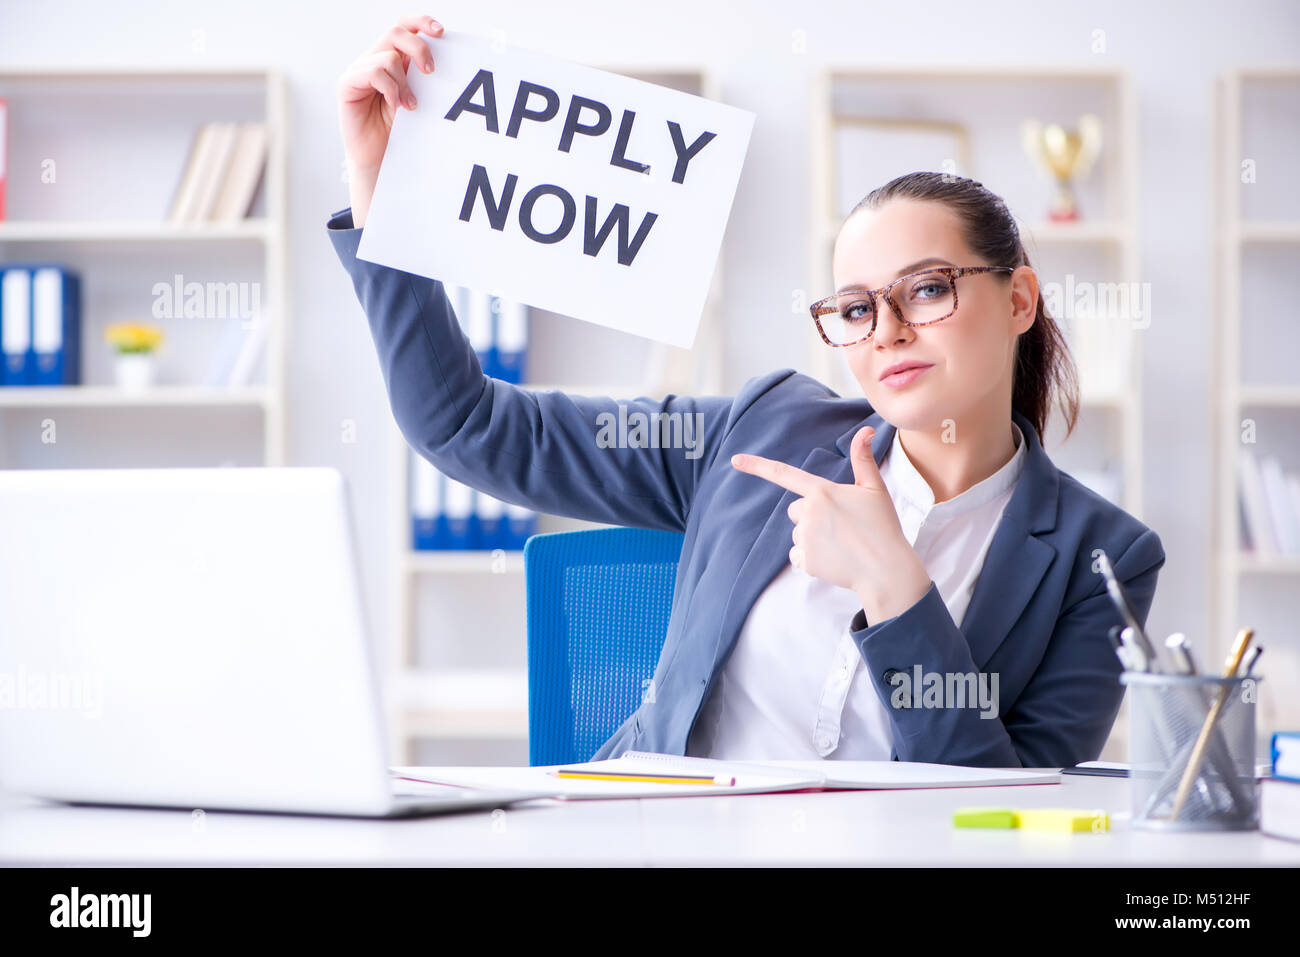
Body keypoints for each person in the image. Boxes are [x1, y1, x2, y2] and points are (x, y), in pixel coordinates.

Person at [329, 14, 1165, 768]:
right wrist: (382, 195)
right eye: (855, 307)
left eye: (929, 289)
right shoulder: (764, 430)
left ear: (1018, 299)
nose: (887, 331)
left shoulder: (1105, 561)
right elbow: (467, 425)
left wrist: (898, 591)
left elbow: (1009, 822)